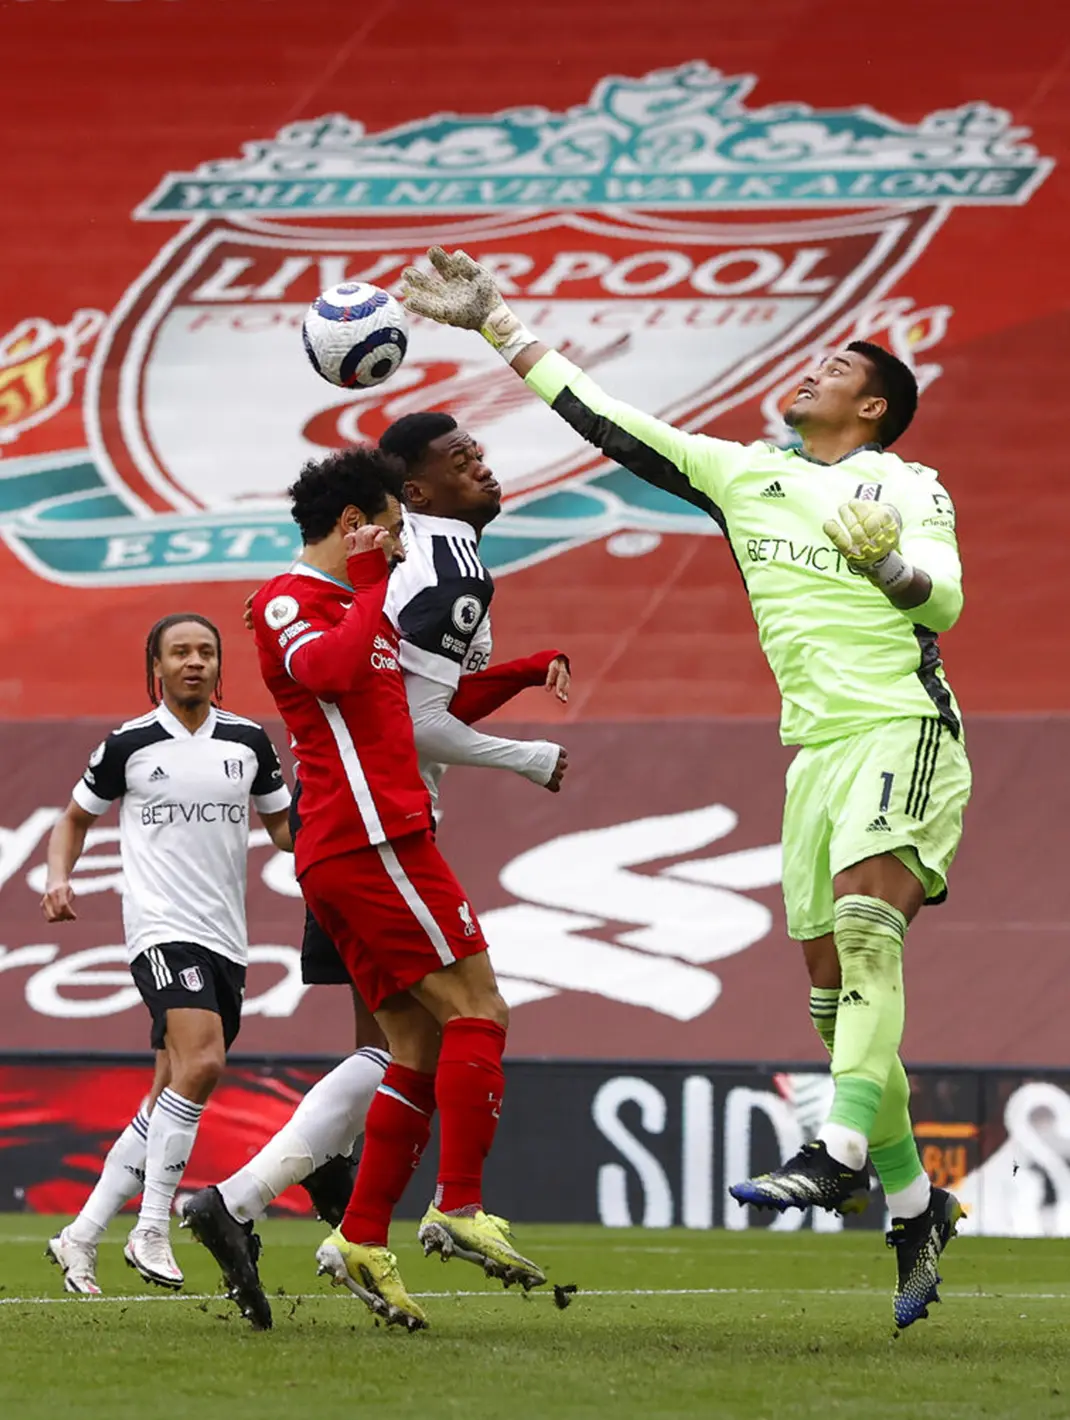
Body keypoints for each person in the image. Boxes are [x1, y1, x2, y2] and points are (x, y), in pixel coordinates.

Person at [402, 247, 972, 1331]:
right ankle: (913, 1204)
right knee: (830, 1001)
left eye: (834, 366)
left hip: (901, 728)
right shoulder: (743, 473)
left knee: (864, 930)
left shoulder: (902, 484)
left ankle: (836, 1150)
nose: (808, 373)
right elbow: (608, 419)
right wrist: (496, 324)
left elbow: (940, 601)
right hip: (813, 752)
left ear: (874, 405)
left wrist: (889, 569)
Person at [182, 414, 570, 1330]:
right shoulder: (292, 596)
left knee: (416, 1047)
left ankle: (360, 1236)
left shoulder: (360, 604)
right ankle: (461, 1203)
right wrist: (366, 578)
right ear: (357, 521)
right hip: (371, 840)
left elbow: (405, 700)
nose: (402, 542)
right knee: (481, 1010)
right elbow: (324, 667)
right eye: (392, 524)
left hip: (371, 838)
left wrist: (516, 670)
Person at [41, 615, 292, 1296]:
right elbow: (74, 818)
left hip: (227, 940)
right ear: (156, 664)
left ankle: (81, 1235)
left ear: (219, 665)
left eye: (206, 652)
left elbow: (286, 829)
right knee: (205, 1062)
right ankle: (152, 1226)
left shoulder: (247, 741)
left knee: (165, 1095)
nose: (194, 662)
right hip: (160, 928)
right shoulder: (129, 743)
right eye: (180, 651)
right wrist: (58, 876)